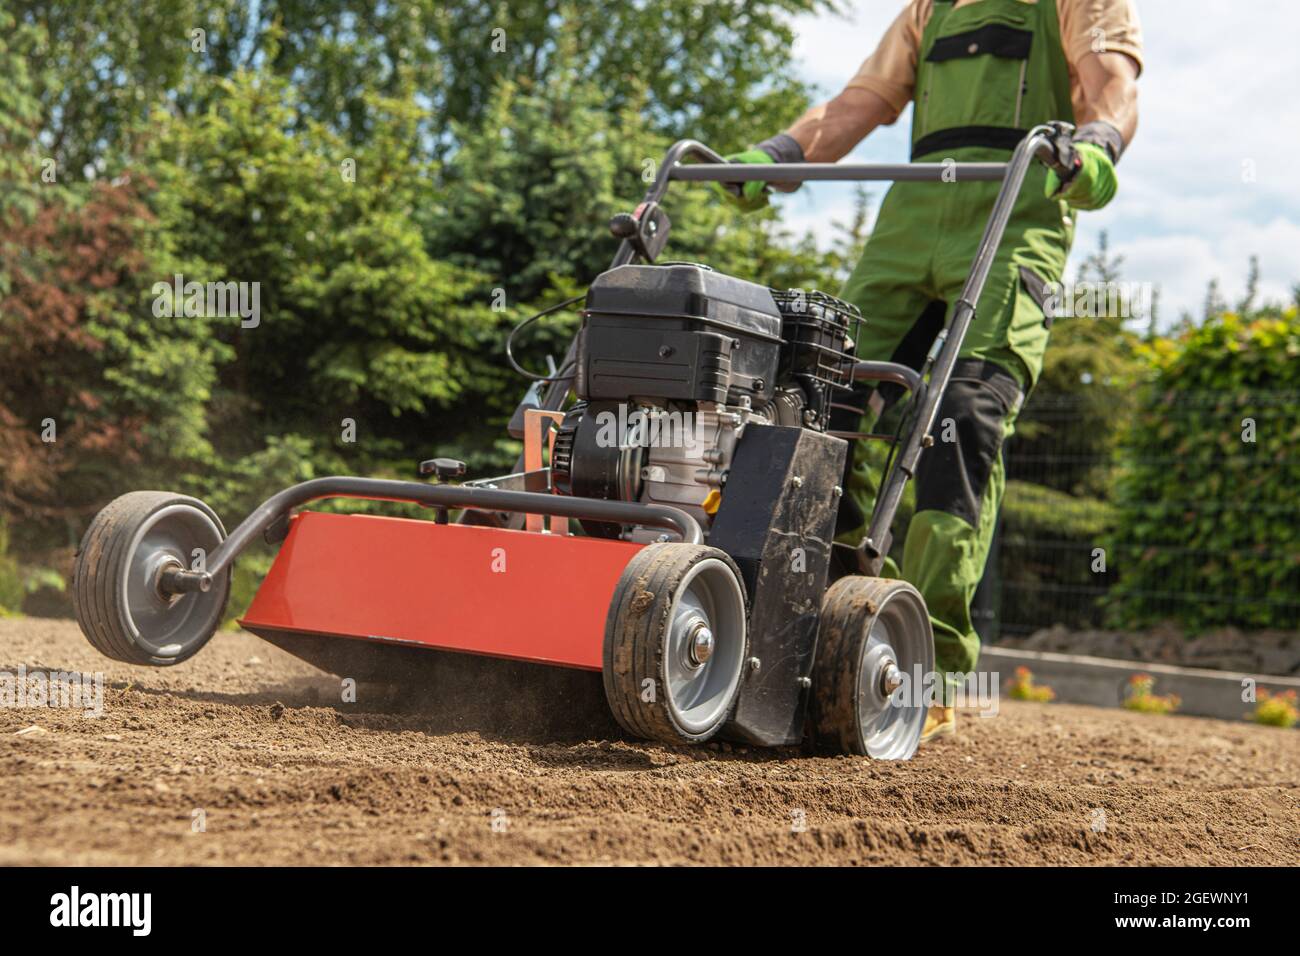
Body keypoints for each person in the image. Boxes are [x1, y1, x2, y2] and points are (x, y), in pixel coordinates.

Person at [720, 0, 1142, 742]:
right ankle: (809, 615)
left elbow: (1111, 81)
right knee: (816, 396)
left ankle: (933, 664)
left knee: (967, 413)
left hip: (1020, 208)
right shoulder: (930, 9)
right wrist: (780, 153)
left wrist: (1097, 141)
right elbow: (861, 103)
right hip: (913, 215)